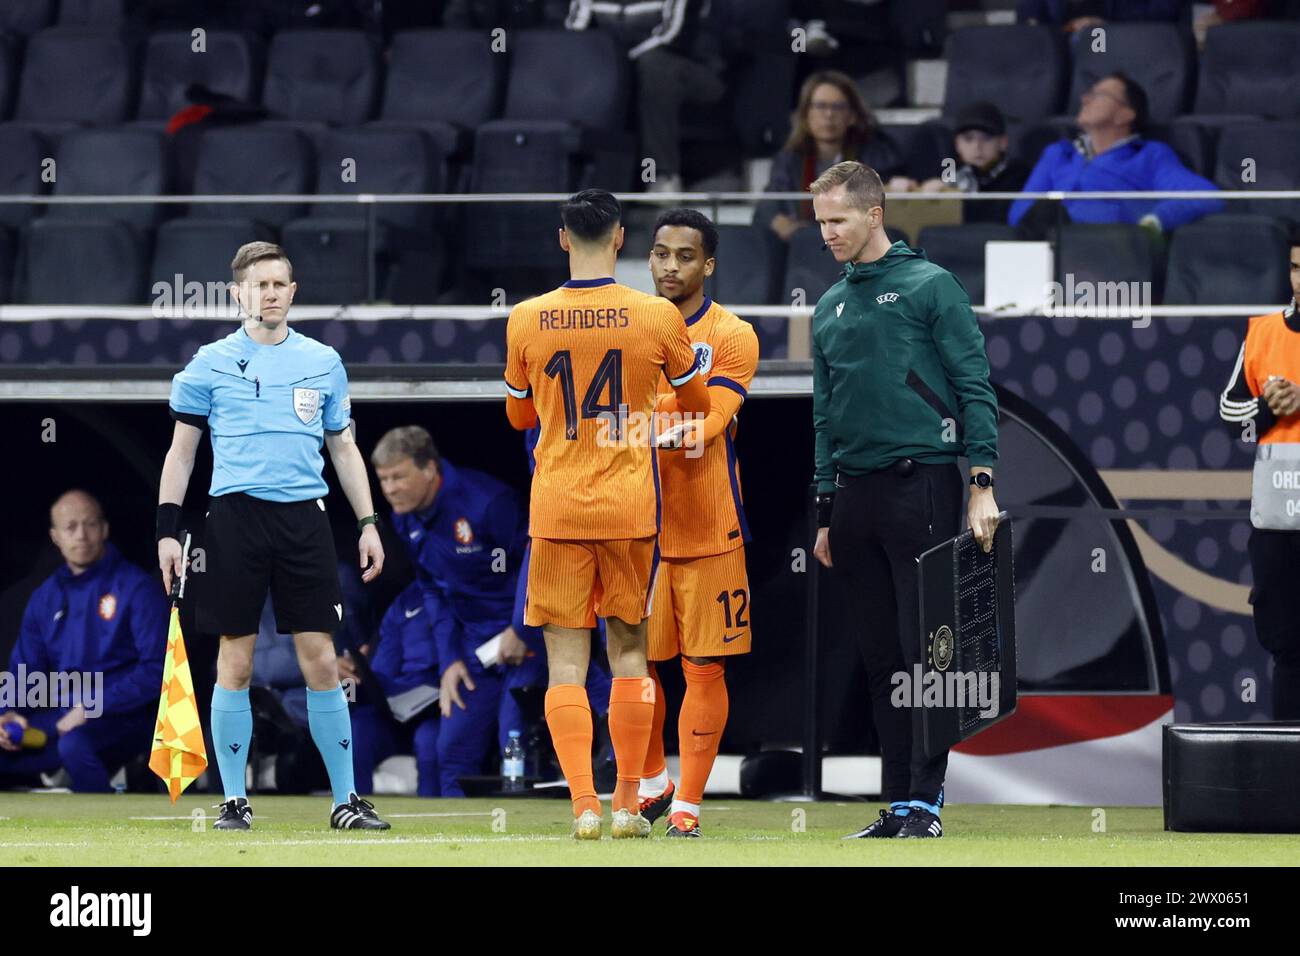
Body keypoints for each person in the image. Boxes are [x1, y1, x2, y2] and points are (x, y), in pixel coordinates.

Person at [159, 240, 391, 831]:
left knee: (321, 659)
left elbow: (343, 447)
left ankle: (346, 800)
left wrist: (367, 523)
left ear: (292, 292)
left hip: (303, 521)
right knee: (234, 661)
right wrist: (166, 530)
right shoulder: (209, 363)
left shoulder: (323, 361)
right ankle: (234, 800)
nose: (270, 293)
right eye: (259, 284)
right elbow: (182, 454)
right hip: (233, 517)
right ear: (238, 292)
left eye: (279, 284)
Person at [503, 188, 710, 839]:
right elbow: (698, 405)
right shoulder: (656, 317)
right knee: (629, 656)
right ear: (621, 239)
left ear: (563, 239)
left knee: (564, 663)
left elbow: (517, 416)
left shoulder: (526, 318)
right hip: (628, 508)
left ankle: (584, 808)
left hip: (558, 507)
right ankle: (627, 805)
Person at [810, 161, 1000, 839]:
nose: (827, 233)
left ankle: (927, 800)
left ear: (873, 213)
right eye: (821, 222)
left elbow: (975, 384)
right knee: (879, 655)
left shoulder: (930, 285)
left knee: (931, 652)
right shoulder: (828, 305)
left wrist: (981, 483)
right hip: (855, 497)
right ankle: (897, 804)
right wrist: (826, 509)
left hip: (919, 482)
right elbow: (825, 415)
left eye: (837, 220)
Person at [637, 208, 760, 838]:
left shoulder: (734, 334)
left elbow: (706, 425)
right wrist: (661, 419)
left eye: (685, 256)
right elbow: (607, 422)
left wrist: (648, 421)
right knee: (637, 665)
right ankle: (654, 781)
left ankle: (687, 802)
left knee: (704, 668)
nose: (670, 266)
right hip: (638, 530)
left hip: (712, 529)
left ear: (707, 264)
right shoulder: (628, 330)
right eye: (661, 253)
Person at [370, 425, 529, 796]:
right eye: (383, 479)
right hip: (474, 647)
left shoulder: (487, 501)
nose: (390, 489)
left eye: (398, 477)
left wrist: (522, 628)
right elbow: (433, 592)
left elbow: (540, 562)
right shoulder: (403, 516)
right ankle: (454, 848)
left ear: (429, 469)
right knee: (450, 749)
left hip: (527, 637)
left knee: (514, 742)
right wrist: (450, 660)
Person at [0, 491, 166, 792]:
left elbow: (157, 671)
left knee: (74, 744)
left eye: (90, 525)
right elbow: (23, 670)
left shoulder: (137, 588)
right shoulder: (45, 597)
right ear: (55, 537)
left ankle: (104, 821)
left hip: (124, 718)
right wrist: (10, 713)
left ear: (104, 529)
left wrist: (93, 706)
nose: (81, 535)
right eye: (70, 527)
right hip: (60, 718)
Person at [1218, 237, 1300, 720]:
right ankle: (1291, 774)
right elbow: (1231, 414)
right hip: (1276, 522)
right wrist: (1270, 408)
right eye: (1294, 267)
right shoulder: (1263, 332)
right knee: (1288, 648)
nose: (1299, 279)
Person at [1009, 73, 1223, 238]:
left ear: (1125, 114)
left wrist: (1154, 220)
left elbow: (1204, 196)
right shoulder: (1057, 154)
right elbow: (1019, 212)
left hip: (1110, 249)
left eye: (1098, 95)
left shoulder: (1150, 155)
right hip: (1044, 246)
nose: (1084, 99)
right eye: (1088, 94)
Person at [565, 0, 724, 195]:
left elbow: (674, 35)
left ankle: (660, 177)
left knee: (654, 67)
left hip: (694, 69)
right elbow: (576, 34)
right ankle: (583, 179)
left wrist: (622, 62)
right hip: (624, 66)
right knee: (585, 64)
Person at [756, 71, 907, 247]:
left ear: (852, 116)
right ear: (806, 114)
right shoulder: (790, 160)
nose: (828, 115)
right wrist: (781, 223)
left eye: (838, 107)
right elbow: (766, 205)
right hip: (805, 252)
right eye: (820, 106)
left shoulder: (877, 155)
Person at [350, 581, 444, 797]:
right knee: (357, 729)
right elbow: (383, 670)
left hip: (440, 709)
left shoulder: (468, 593)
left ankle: (432, 823)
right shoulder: (406, 600)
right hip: (397, 709)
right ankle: (352, 809)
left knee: (429, 741)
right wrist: (364, 676)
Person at [892, 101, 1030, 225]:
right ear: (957, 144)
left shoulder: (1020, 174)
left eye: (986, 138)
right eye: (968, 139)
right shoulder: (949, 169)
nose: (977, 147)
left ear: (1003, 142)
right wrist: (919, 192)